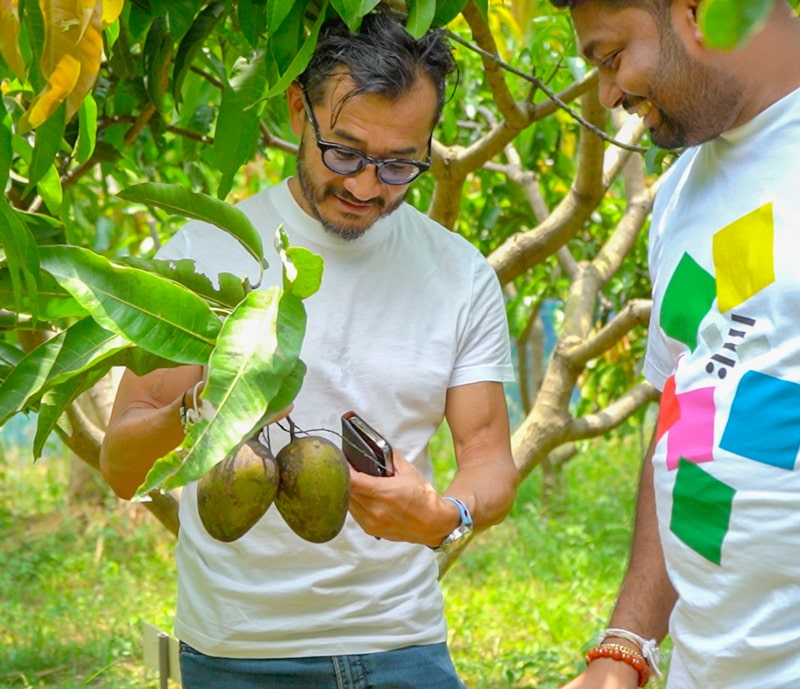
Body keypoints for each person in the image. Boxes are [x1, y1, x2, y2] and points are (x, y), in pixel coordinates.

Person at [100, 8, 519, 689]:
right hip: (236, 654)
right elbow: (121, 467)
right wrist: (205, 405)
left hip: (400, 645)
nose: (363, 186)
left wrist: (448, 514)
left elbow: (489, 461)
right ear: (300, 109)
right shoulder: (204, 259)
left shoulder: (458, 273)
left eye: (398, 165)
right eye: (345, 153)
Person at [544, 1, 800, 688]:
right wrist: (627, 640)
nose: (608, 94)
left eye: (610, 56)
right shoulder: (680, 193)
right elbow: (685, 414)